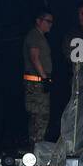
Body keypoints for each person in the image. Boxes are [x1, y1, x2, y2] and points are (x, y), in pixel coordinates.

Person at [23, 10, 54, 145]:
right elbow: (34, 58)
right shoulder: (34, 36)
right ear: (38, 21)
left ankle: (36, 146)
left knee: (40, 117)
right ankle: (35, 148)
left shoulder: (40, 37)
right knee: (39, 116)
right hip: (36, 83)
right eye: (48, 21)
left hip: (39, 82)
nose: (50, 25)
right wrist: (44, 77)